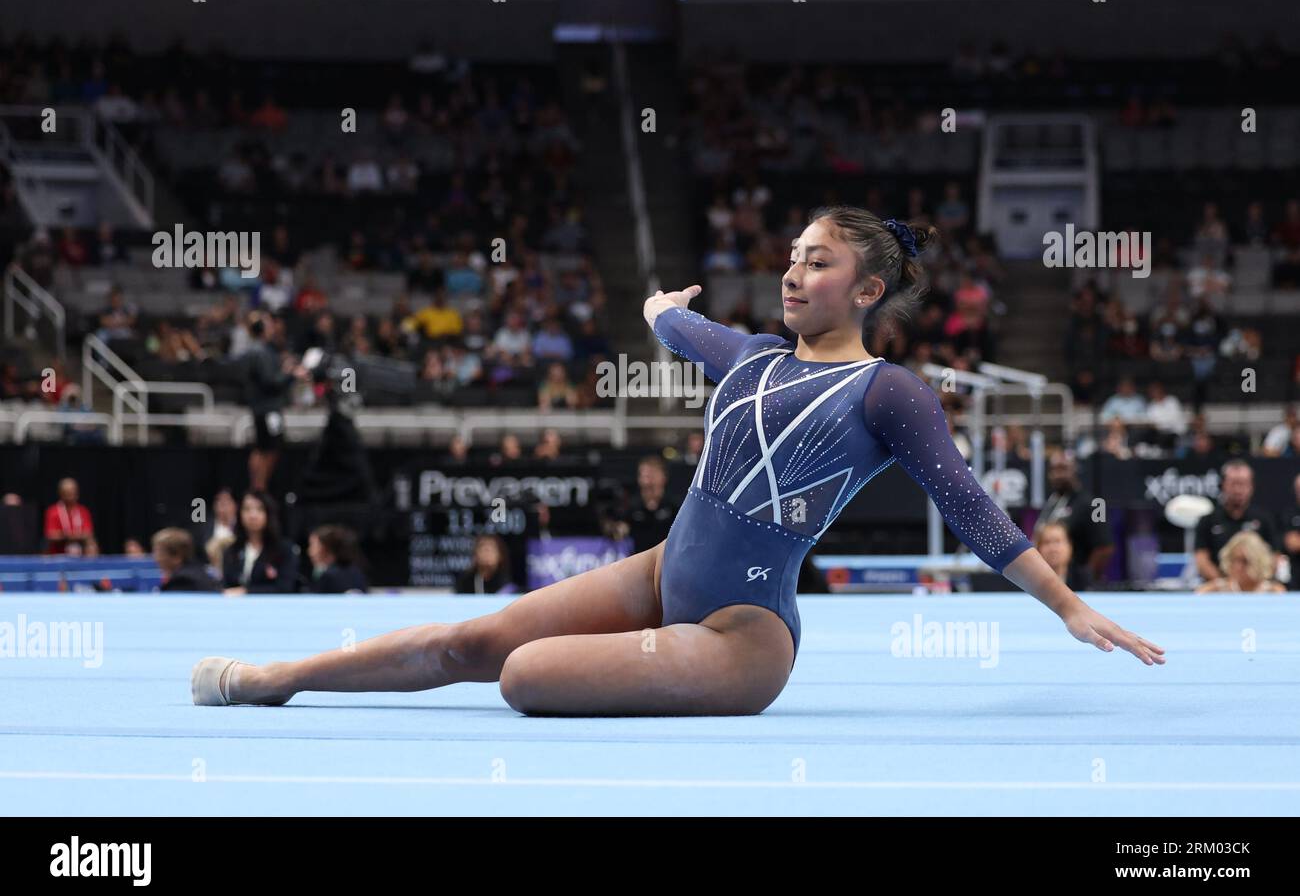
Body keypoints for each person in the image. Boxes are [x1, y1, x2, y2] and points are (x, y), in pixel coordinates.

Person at [193, 208, 1164, 715]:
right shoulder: (749, 352)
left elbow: (971, 507)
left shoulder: (889, 393)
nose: (793, 270)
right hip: (664, 573)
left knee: (523, 675)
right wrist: (660, 307)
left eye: (818, 261)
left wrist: (1067, 603)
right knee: (467, 644)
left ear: (866, 288)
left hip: (744, 639)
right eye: (791, 254)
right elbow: (676, 324)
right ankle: (281, 674)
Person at [243, 313, 307, 492]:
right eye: (269, 325)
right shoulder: (261, 351)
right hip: (268, 409)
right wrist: (290, 373)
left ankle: (258, 488)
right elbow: (271, 382)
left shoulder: (260, 350)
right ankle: (259, 488)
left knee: (263, 448)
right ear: (262, 329)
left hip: (262, 408)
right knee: (268, 449)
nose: (273, 328)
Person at [1033, 450, 1114, 589]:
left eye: (1063, 469)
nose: (1058, 475)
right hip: (1049, 580)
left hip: (1076, 582)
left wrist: (1087, 577)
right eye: (1054, 470)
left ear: (1075, 470)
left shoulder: (1095, 503)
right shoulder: (1052, 501)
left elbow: (1105, 547)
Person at [1193, 460, 1278, 582]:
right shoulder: (1208, 521)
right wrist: (1225, 585)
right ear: (1223, 485)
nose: (1238, 490)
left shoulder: (1264, 519)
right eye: (1233, 484)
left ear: (1251, 486)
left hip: (1257, 589)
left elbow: (1275, 556)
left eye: (1243, 484)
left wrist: (1255, 584)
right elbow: (1201, 560)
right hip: (1218, 589)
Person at [220, 491, 299, 594]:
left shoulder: (284, 550)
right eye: (247, 509)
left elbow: (285, 587)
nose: (253, 515)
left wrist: (246, 592)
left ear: (268, 513)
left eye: (259, 509)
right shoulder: (232, 550)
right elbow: (226, 586)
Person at [1195, 531, 1286, 594]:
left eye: (1245, 561)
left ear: (1258, 562)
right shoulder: (1214, 590)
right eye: (1234, 560)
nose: (1238, 567)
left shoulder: (1273, 592)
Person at [152, 528, 221, 592]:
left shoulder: (182, 582)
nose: (156, 558)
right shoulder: (198, 572)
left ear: (177, 557)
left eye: (160, 553)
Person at [304, 525, 367, 593]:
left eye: (313, 545)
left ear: (324, 548)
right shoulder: (356, 572)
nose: (309, 551)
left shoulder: (327, 577)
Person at [454, 534, 519, 595]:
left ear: (500, 556)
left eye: (491, 549)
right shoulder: (465, 583)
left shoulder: (507, 584)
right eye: (482, 548)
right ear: (475, 555)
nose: (486, 552)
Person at [44, 478, 94, 555]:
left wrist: (70, 536)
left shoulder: (83, 511)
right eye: (67, 492)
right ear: (61, 493)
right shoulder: (53, 511)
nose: (71, 495)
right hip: (59, 556)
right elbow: (51, 535)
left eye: (73, 491)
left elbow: (88, 533)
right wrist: (70, 536)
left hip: (80, 555)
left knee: (92, 546)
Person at [1033, 522, 1073, 586]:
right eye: (1047, 542)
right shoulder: (1023, 582)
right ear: (1037, 549)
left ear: (1069, 547)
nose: (1053, 549)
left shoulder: (1084, 580)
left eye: (1057, 541)